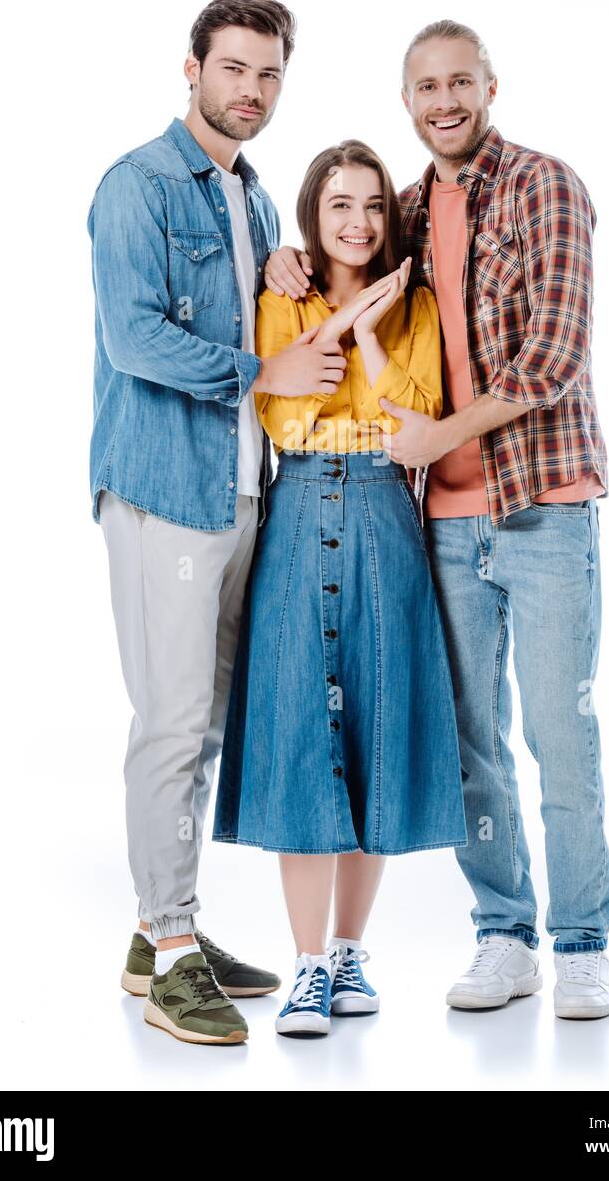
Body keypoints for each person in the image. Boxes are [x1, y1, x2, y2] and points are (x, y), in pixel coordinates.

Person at [263, 21, 609, 1021]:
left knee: (560, 733)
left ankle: (582, 940)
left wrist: (433, 436)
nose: (444, 99)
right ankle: (503, 934)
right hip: (443, 526)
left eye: (460, 81)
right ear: (409, 100)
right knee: (473, 743)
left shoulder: (547, 187)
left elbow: (549, 363)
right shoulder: (410, 209)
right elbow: (346, 247)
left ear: (490, 86)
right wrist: (287, 262)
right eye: (425, 86)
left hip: (541, 506)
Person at [89, 0, 352, 1046]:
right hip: (166, 490)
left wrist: (284, 274)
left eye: (269, 74)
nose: (251, 90)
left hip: (245, 491)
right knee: (169, 722)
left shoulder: (248, 201)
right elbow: (135, 340)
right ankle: (177, 951)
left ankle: (162, 936)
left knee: (202, 725)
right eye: (234, 68)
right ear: (191, 67)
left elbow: (257, 310)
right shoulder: (137, 186)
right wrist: (261, 364)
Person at [212, 140, 468, 1037]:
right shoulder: (278, 295)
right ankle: (308, 967)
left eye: (369, 205)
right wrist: (340, 323)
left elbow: (415, 418)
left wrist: (361, 334)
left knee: (371, 726)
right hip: (299, 508)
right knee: (296, 730)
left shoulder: (420, 306)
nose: (356, 222)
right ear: (311, 216)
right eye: (337, 206)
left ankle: (352, 954)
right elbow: (282, 411)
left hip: (384, 517)